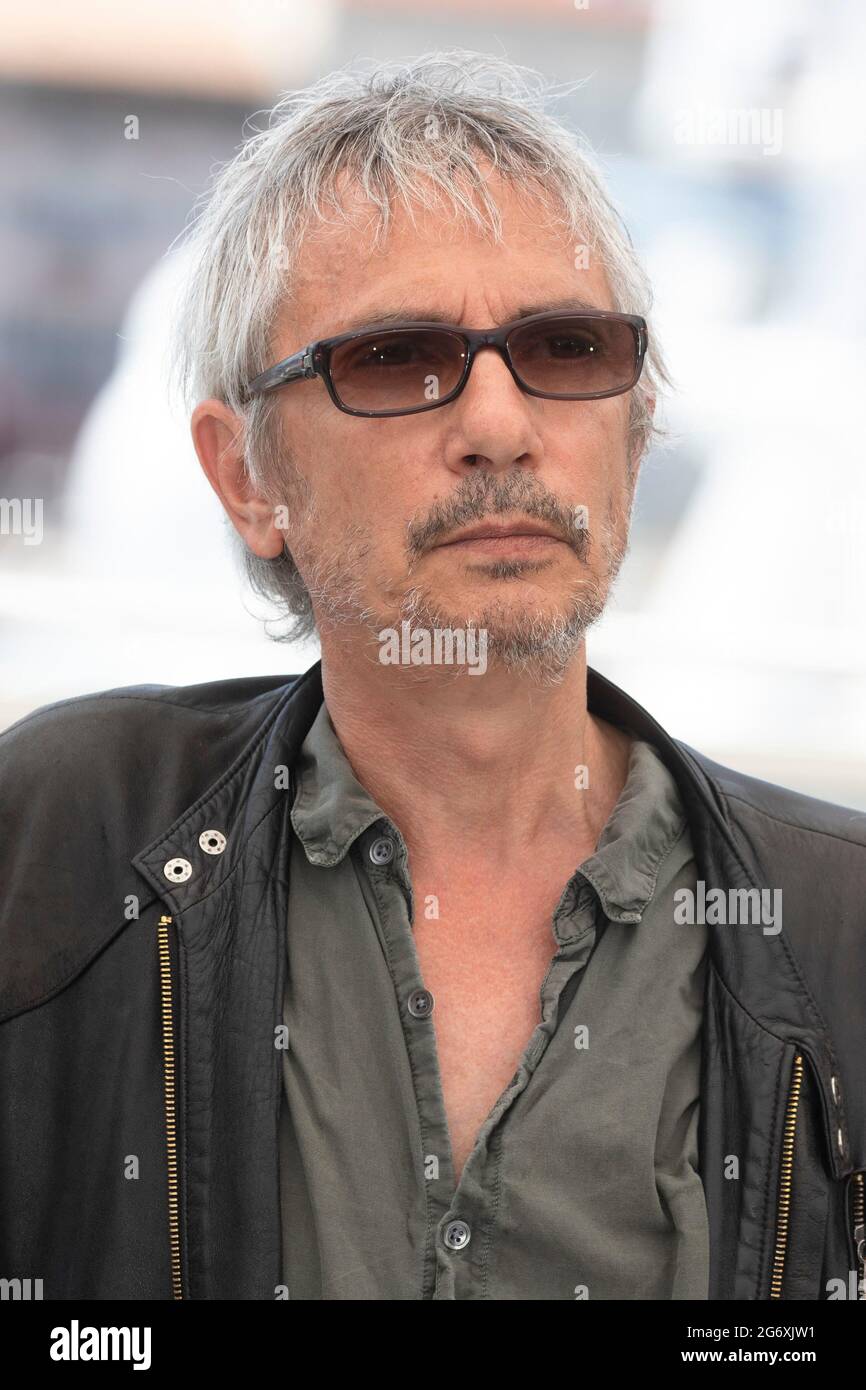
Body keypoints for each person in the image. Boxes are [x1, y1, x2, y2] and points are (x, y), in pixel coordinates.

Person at [1, 51, 863, 1302]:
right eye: (401, 358)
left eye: (566, 346)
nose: (502, 422)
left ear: (634, 431)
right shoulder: (64, 841)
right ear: (248, 478)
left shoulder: (832, 923)